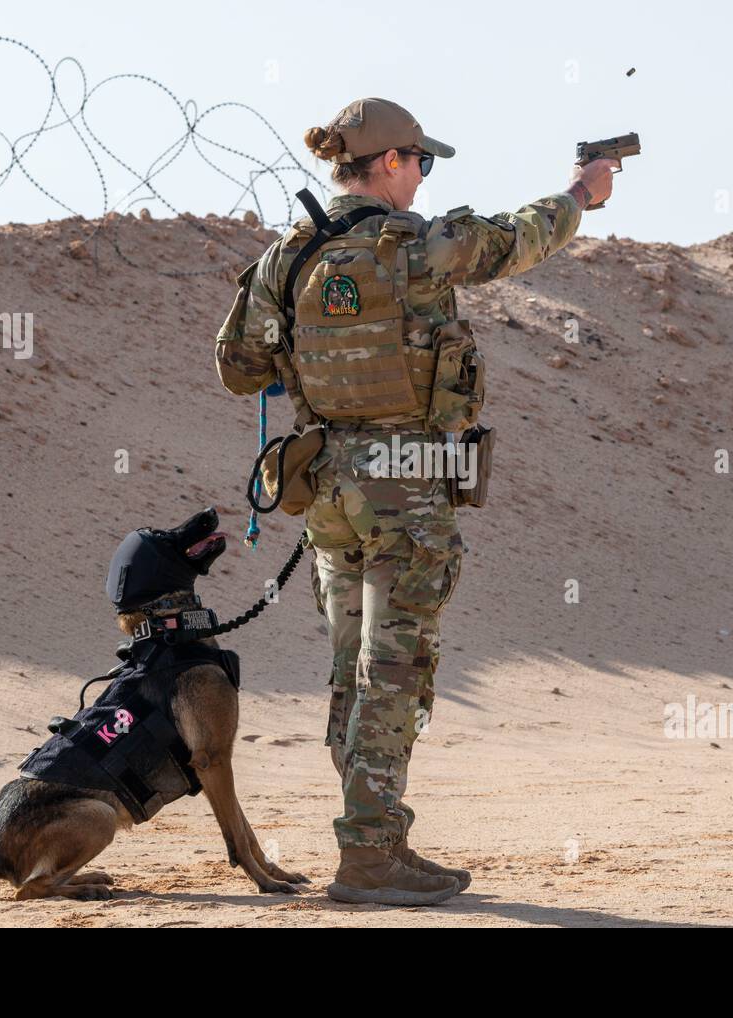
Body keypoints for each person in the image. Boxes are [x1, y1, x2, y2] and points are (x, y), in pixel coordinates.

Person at [215, 97, 618, 905]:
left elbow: (238, 367)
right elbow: (518, 237)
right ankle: (368, 855)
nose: (423, 177)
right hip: (405, 484)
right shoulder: (421, 247)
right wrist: (582, 194)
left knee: (353, 670)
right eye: (421, 163)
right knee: (394, 671)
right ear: (392, 163)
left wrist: (323, 348)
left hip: (327, 485)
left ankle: (380, 838)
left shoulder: (286, 258)